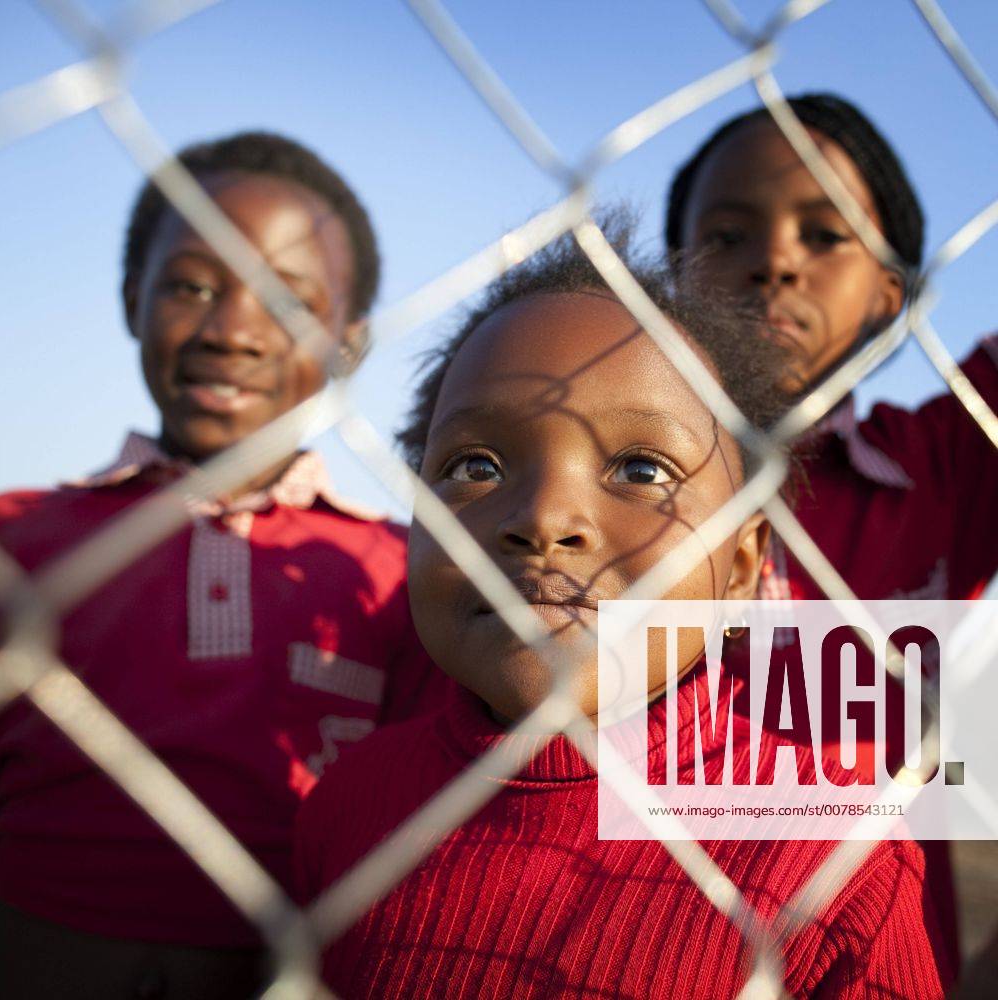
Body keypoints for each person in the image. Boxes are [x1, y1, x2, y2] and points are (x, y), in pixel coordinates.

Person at [296, 222, 950, 998]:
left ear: (740, 568)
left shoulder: (830, 851)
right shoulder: (347, 802)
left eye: (642, 469)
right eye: (477, 465)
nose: (544, 519)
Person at [0, 131, 446, 998]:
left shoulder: (402, 574)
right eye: (192, 286)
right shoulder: (18, 539)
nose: (231, 332)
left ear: (348, 347)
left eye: (286, 303)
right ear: (134, 300)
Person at [664, 91, 997, 604]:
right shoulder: (593, 464)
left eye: (824, 234)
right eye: (727, 237)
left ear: (889, 294)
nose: (776, 261)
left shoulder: (946, 466)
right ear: (676, 283)